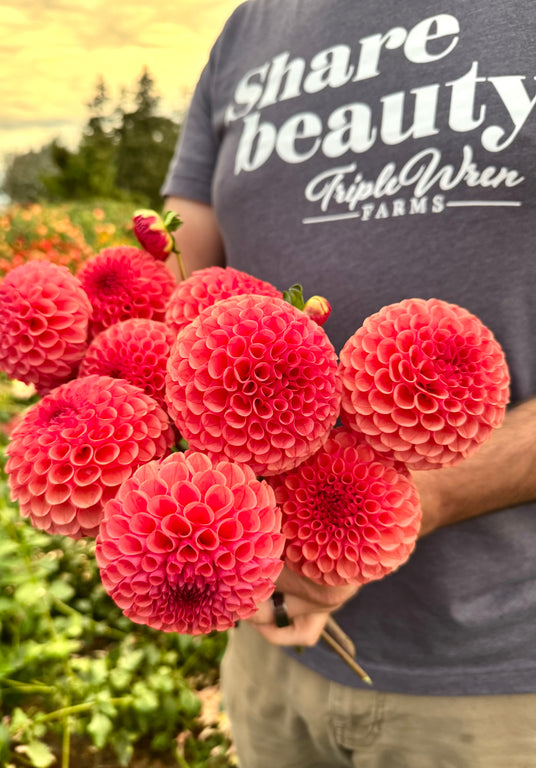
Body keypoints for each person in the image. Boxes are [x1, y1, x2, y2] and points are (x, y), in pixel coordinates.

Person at [161, 1, 536, 765]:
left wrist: (413, 499)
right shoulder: (248, 27)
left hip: (496, 685)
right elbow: (172, 261)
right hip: (265, 650)